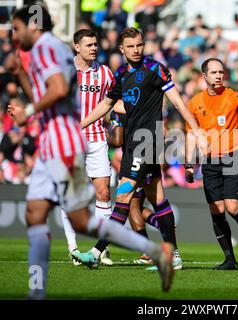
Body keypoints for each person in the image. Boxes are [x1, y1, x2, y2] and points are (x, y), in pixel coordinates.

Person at [8, 6, 174, 299]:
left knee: (81, 219)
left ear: (32, 27)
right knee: (36, 215)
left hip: (63, 145)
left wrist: (30, 110)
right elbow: (50, 95)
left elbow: (57, 91)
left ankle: (155, 251)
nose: (13, 33)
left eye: (17, 27)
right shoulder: (47, 53)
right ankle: (36, 292)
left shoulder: (47, 48)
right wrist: (20, 74)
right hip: (52, 143)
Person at [72, 27, 206, 271]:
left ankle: (95, 252)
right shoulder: (121, 74)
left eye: (140, 45)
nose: (137, 50)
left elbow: (177, 100)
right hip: (132, 143)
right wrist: (81, 124)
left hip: (147, 141)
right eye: (131, 46)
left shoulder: (155, 69)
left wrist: (195, 128)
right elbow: (106, 104)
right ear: (121, 49)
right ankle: (173, 255)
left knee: (123, 196)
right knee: (158, 198)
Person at [185, 58, 238, 270]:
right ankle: (230, 259)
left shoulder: (231, 95)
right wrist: (189, 164)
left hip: (232, 155)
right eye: (214, 72)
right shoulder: (195, 102)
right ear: (204, 76)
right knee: (216, 209)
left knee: (233, 207)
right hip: (209, 161)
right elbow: (191, 134)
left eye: (221, 72)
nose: (218, 76)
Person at [60, 29, 114, 266]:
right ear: (76, 47)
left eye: (95, 44)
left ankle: (100, 248)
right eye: (89, 44)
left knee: (103, 193)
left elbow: (113, 101)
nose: (94, 48)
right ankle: (72, 247)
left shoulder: (104, 72)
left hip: (96, 137)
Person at [108, 109, 161, 265]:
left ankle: (149, 250)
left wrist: (104, 137)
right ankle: (163, 223)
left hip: (134, 160)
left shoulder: (117, 110)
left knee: (131, 205)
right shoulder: (142, 104)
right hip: (149, 153)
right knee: (137, 204)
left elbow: (117, 141)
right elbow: (163, 131)